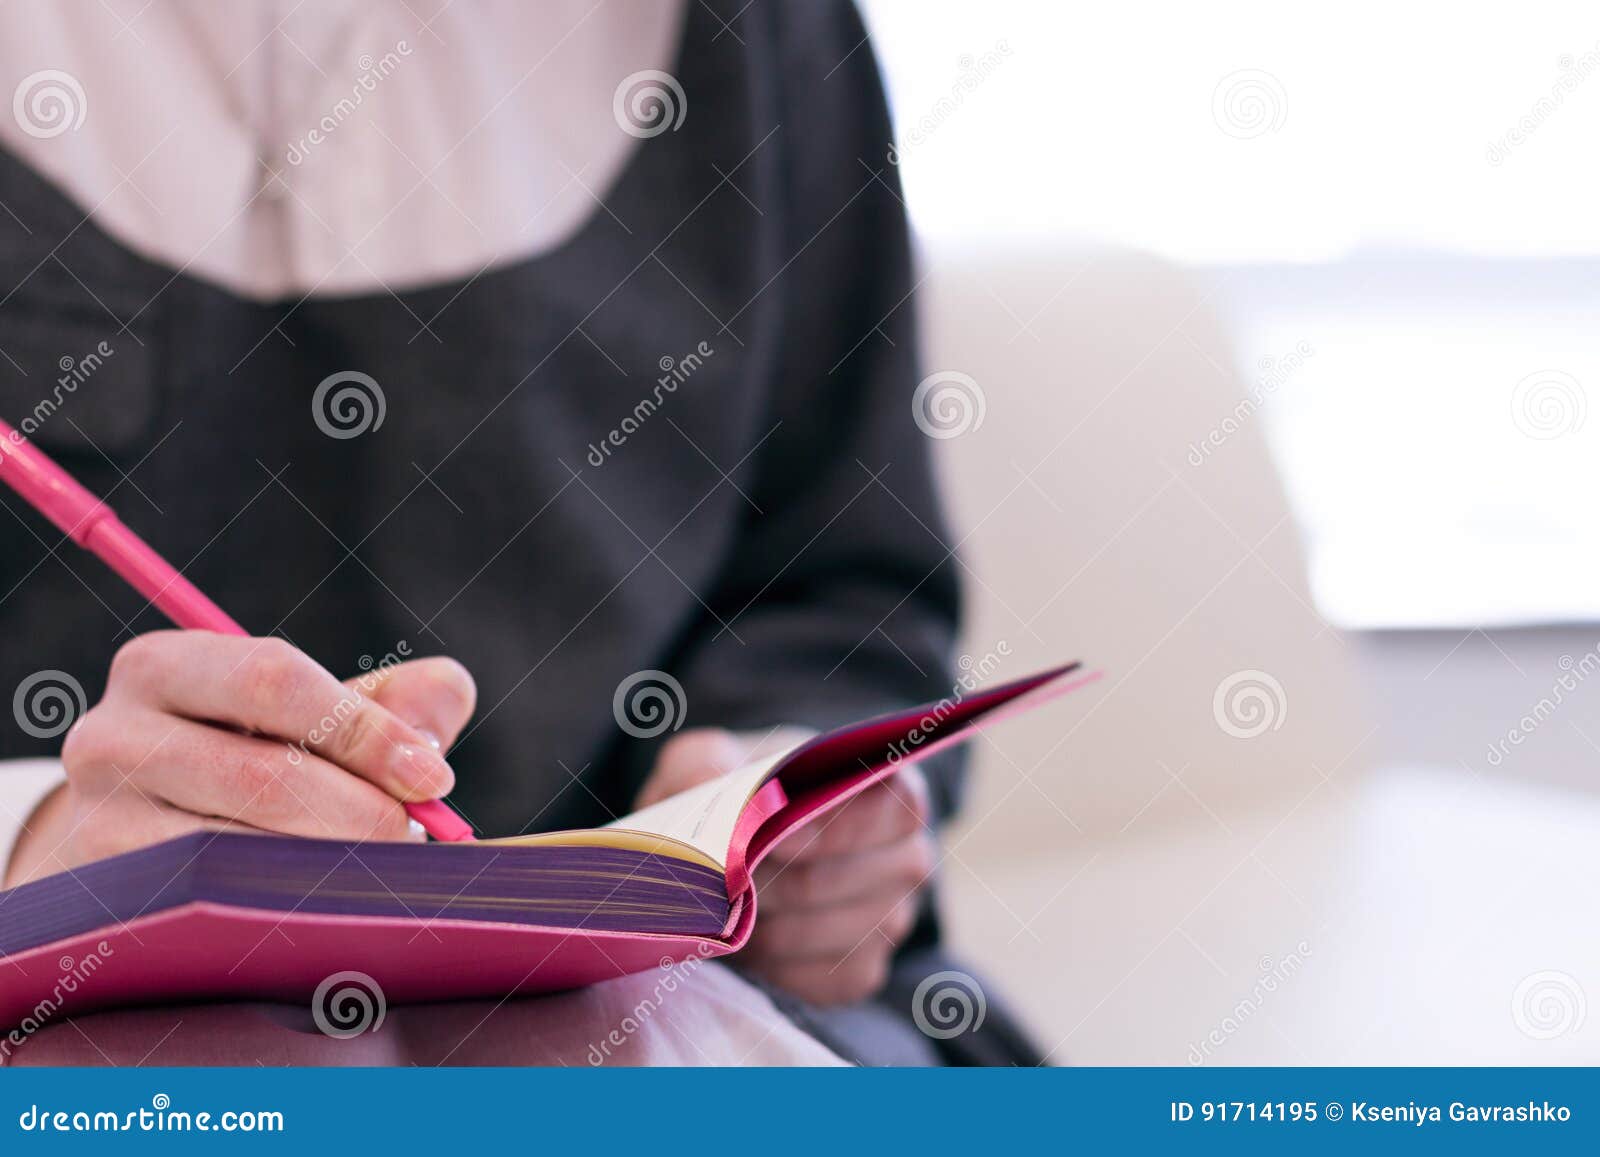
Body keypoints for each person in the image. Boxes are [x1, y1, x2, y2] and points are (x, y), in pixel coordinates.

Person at [0, 0, 1035, 1066]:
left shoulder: (765, 30)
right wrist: (41, 843)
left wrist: (788, 818)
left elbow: (840, 590)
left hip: (690, 993)